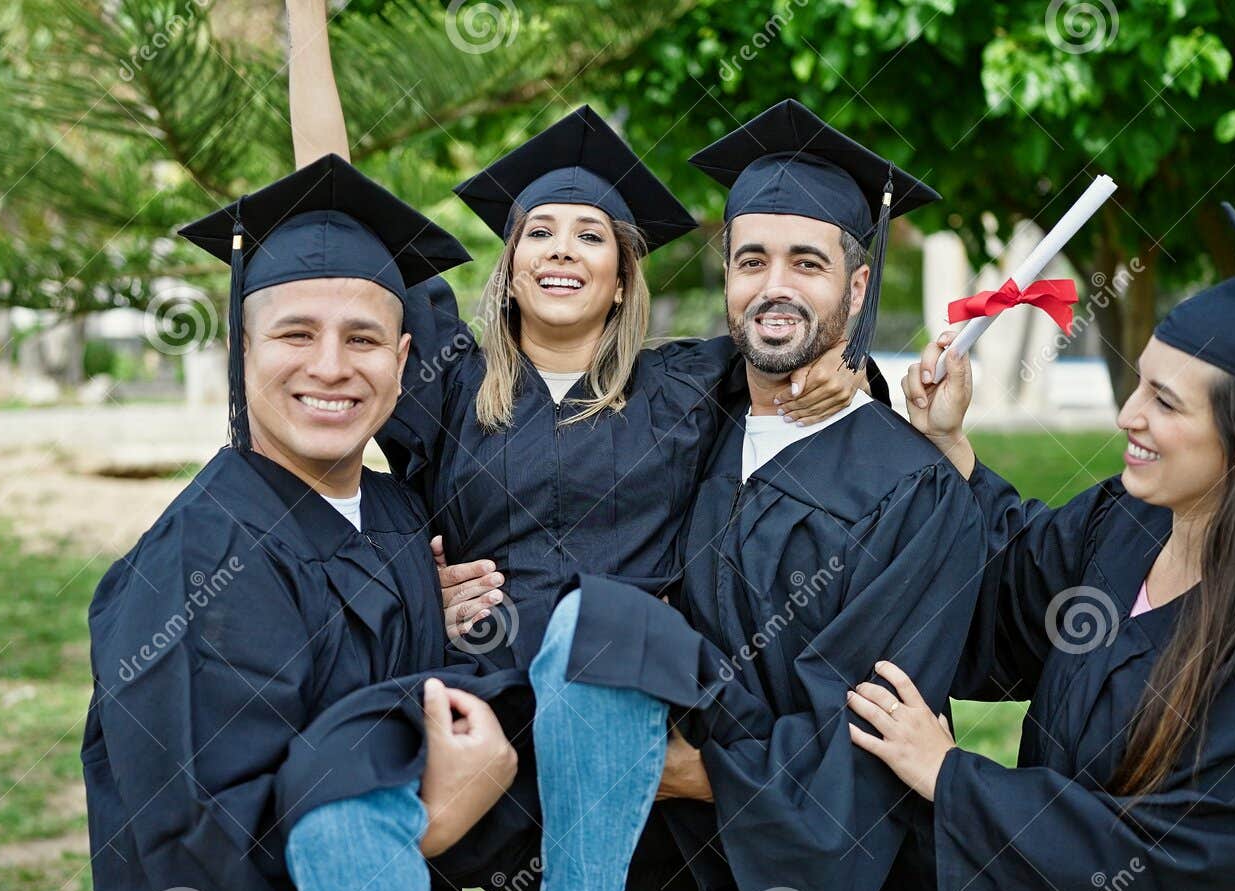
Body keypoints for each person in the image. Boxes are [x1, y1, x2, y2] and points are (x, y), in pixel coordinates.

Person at [852, 202, 1235, 891]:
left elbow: (1168, 870)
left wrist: (953, 778)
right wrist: (949, 447)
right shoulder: (1132, 522)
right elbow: (1010, 584)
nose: (1129, 415)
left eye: (1165, 402)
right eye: (1138, 385)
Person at [286, 0, 870, 679]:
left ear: (622, 279)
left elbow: (786, 333)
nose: (561, 251)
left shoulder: (686, 387)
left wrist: (843, 364)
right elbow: (334, 196)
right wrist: (305, 15)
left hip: (626, 686)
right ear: (508, 272)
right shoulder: (448, 385)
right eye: (539, 233)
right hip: (477, 686)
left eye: (590, 236)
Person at [526, 100, 988, 891]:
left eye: (807, 264)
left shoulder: (914, 494)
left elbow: (860, 745)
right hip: (653, 871)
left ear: (858, 284)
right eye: (751, 261)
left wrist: (670, 770)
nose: (774, 288)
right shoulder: (676, 427)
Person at [82, 155, 531, 891]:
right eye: (296, 334)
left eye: (361, 339)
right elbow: (196, 851)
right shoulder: (197, 563)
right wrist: (432, 825)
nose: (330, 367)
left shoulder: (398, 518)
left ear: (402, 357)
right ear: (242, 349)